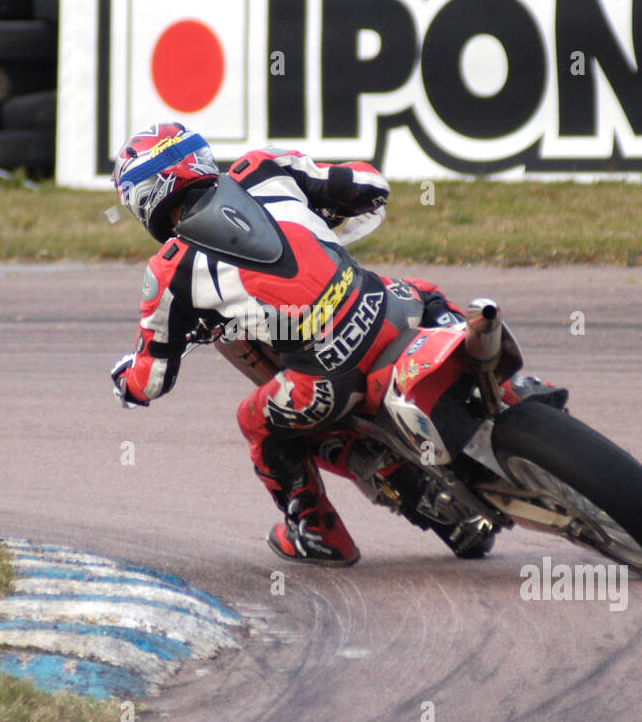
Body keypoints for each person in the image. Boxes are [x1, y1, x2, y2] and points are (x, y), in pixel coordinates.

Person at [109, 122, 552, 567]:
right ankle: (511, 392)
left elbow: (150, 380)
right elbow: (369, 184)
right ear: (198, 156)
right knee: (426, 292)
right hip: (387, 312)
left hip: (325, 381)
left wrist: (124, 383)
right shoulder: (263, 167)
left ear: (143, 197)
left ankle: (317, 532)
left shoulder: (169, 270)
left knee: (255, 423)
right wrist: (323, 214)